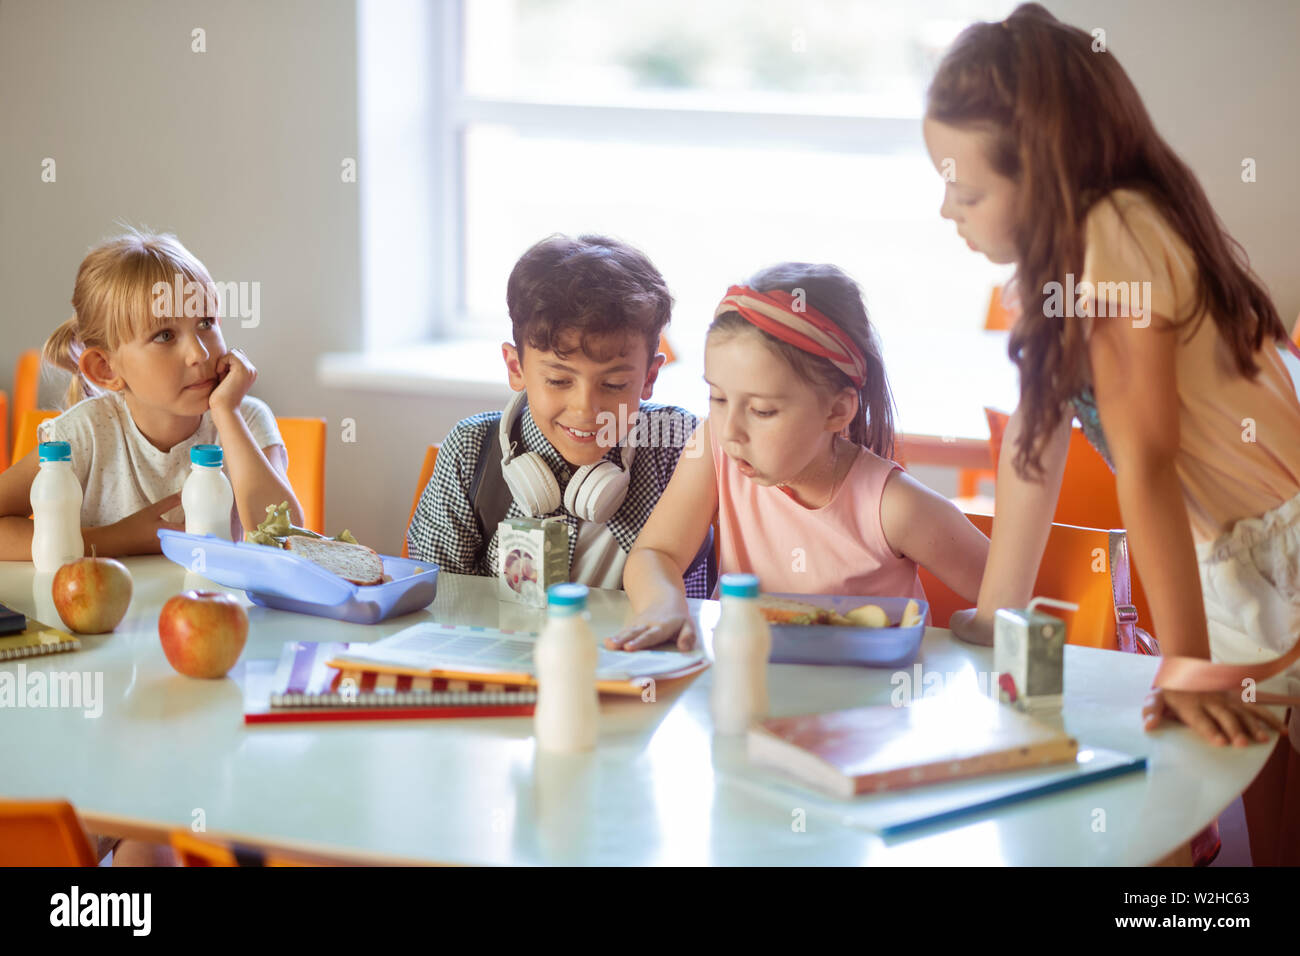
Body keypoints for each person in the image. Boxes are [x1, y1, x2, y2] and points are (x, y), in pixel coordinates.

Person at [924, 3, 1299, 863]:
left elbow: (1148, 464)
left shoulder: (1117, 235)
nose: (947, 209)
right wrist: (996, 612)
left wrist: (1186, 664)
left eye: (967, 188)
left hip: (1280, 552)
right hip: (1231, 561)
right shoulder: (1057, 267)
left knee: (1235, 806)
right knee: (1232, 800)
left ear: (1047, 169)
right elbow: (1034, 444)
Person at [612, 262, 989, 651]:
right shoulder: (714, 449)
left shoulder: (894, 506)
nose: (731, 431)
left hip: (865, 704)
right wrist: (663, 606)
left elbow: (1008, 599)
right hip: (747, 693)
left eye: (762, 411)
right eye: (718, 398)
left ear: (836, 411)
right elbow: (657, 553)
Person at [407, 234, 713, 596]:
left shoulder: (676, 446)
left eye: (614, 384)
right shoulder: (472, 452)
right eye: (557, 380)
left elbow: (693, 602)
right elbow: (437, 600)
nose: (586, 408)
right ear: (515, 367)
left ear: (649, 377)